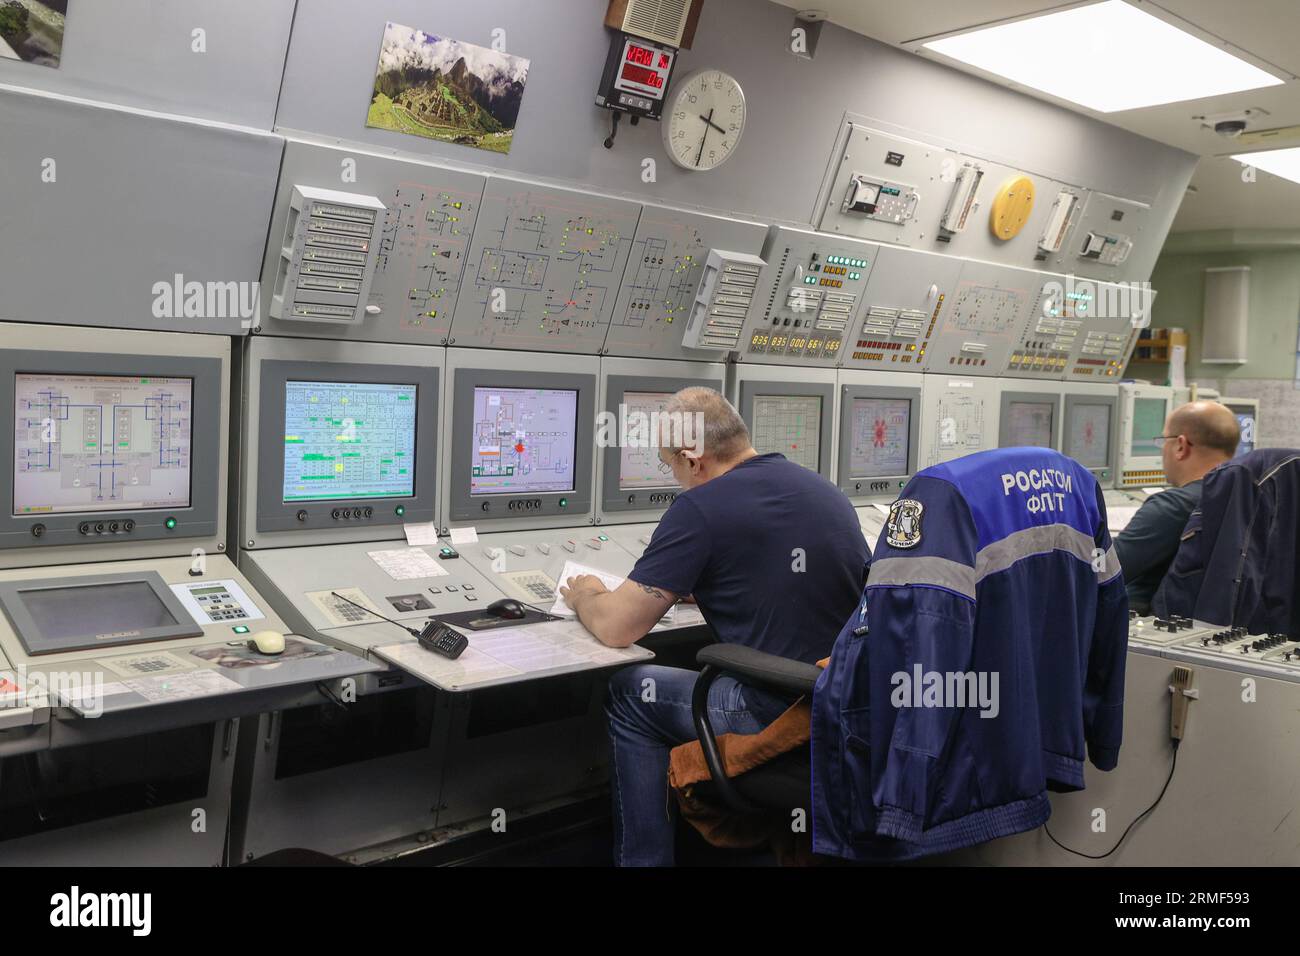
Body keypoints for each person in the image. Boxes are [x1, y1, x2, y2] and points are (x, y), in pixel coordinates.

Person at [560, 387, 869, 866]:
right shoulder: (821, 490)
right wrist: (701, 582)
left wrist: (585, 595)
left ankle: (642, 859)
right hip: (845, 706)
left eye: (671, 466)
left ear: (692, 458)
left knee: (629, 690)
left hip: (777, 713)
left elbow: (617, 628)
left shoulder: (699, 509)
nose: (676, 478)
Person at [1114, 400, 1240, 614]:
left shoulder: (1173, 506)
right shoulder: (1245, 498)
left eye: (1163, 440)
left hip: (1144, 630)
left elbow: (1102, 569)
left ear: (1181, 446)